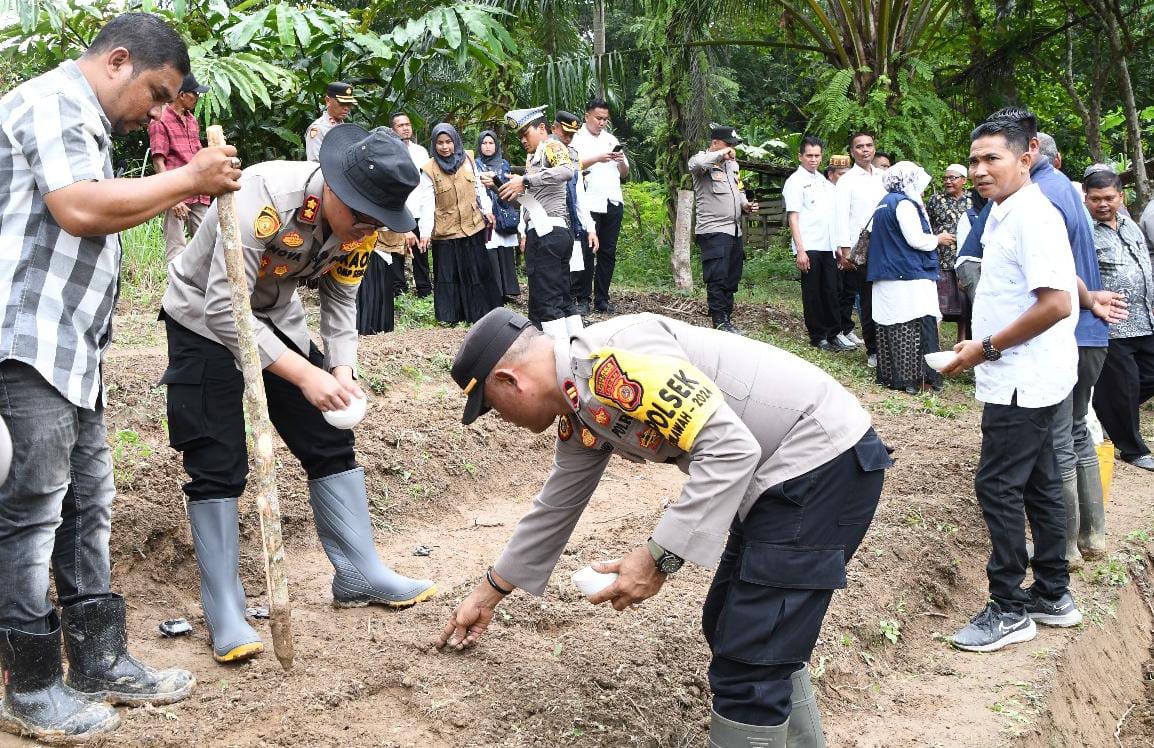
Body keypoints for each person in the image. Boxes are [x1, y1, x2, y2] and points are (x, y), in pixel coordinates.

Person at [438, 307, 892, 748]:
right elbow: (556, 505)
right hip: (784, 477)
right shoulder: (579, 400)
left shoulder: (616, 363)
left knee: (751, 654)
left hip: (822, 461)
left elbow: (731, 450)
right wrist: (488, 593)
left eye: (493, 409)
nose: (502, 420)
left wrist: (658, 558)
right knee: (733, 628)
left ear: (508, 381)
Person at [0, 13, 242, 742]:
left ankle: (97, 658)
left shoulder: (90, 121)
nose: (161, 112)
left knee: (87, 502)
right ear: (117, 61)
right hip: (26, 339)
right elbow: (77, 208)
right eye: (159, 93)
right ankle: (32, 683)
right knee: (34, 507)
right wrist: (188, 179)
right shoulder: (52, 102)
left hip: (71, 346)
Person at [161, 124, 437, 664]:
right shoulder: (258, 198)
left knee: (325, 435)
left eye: (378, 225)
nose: (367, 233)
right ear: (334, 190)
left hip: (275, 317)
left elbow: (340, 300)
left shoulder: (358, 228)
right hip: (204, 319)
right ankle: (225, 606)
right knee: (218, 457)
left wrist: (340, 368)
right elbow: (225, 308)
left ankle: (359, 571)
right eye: (362, 219)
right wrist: (307, 376)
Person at [941, 114, 1085, 653]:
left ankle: (1008, 605)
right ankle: (1052, 593)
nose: (979, 170)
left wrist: (987, 348)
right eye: (974, 160)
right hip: (1032, 375)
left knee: (997, 485)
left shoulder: (1032, 216)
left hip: (1021, 379)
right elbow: (1044, 286)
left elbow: (1054, 304)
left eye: (991, 159)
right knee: (1042, 481)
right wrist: (980, 345)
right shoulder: (1004, 211)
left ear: (1027, 157)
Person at [488, 105, 581, 339]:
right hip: (545, 231)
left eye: (524, 134)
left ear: (541, 128)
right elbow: (529, 203)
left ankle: (556, 359)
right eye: (518, 136)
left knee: (546, 301)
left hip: (550, 233)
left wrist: (526, 181)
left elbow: (567, 171)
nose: (522, 140)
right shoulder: (534, 158)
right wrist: (502, 187)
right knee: (561, 298)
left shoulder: (551, 145)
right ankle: (576, 351)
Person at [1086, 170, 1154, 472]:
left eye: (1109, 198)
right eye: (1096, 199)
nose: (1103, 204)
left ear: (1120, 197)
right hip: (1113, 323)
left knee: (1138, 381)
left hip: (1145, 317)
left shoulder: (1130, 225)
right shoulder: (1084, 232)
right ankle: (1132, 448)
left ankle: (1107, 409)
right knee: (1123, 385)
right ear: (1086, 199)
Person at [868, 162, 952, 394]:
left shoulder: (883, 203)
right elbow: (915, 239)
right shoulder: (904, 204)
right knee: (916, 324)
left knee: (891, 326)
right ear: (909, 182)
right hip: (908, 275)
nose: (922, 191)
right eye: (920, 185)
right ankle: (919, 379)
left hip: (887, 274)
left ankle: (894, 377)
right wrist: (938, 239)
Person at [412, 123, 501, 324]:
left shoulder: (468, 159)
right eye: (440, 143)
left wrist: (487, 211)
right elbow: (427, 203)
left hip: (473, 225)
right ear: (434, 145)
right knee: (448, 275)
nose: (445, 147)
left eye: (448, 142)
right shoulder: (428, 169)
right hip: (446, 230)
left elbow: (479, 188)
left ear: (455, 141)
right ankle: (450, 316)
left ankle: (480, 313)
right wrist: (425, 232)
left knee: (477, 271)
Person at [688, 125, 760, 334]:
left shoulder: (733, 166)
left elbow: (738, 190)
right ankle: (718, 319)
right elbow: (697, 164)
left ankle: (726, 318)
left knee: (731, 278)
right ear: (715, 143)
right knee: (717, 276)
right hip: (713, 230)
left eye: (732, 146)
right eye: (728, 145)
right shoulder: (702, 161)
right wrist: (721, 154)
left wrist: (745, 206)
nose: (731, 150)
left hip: (734, 230)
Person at [783, 136, 843, 350]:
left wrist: (838, 246)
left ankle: (833, 332)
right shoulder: (795, 182)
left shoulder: (824, 182)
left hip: (828, 245)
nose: (813, 159)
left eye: (817, 155)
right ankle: (818, 335)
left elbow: (830, 216)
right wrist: (800, 250)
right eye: (809, 155)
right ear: (800, 157)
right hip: (809, 245)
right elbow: (793, 217)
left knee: (831, 290)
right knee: (813, 293)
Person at [571, 97, 629, 314]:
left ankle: (602, 299)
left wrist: (620, 160)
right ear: (587, 116)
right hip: (589, 201)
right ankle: (582, 297)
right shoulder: (576, 139)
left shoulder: (610, 139)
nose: (602, 122)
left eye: (605, 119)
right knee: (587, 251)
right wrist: (597, 158)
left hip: (613, 200)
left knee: (608, 252)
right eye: (598, 118)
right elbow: (571, 165)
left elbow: (625, 173)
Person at [834, 130, 886, 363]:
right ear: (852, 151)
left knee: (886, 295)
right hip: (861, 248)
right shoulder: (847, 181)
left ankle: (888, 345)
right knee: (867, 298)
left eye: (869, 145)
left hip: (886, 245)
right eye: (859, 146)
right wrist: (845, 249)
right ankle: (873, 349)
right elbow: (840, 216)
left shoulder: (884, 176)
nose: (865, 149)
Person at [148, 72, 210, 262]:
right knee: (176, 248)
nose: (198, 97)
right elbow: (158, 161)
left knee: (207, 245)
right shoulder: (160, 120)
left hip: (198, 190)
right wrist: (171, 197)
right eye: (195, 94)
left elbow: (197, 155)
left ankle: (200, 288)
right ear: (182, 95)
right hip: (176, 191)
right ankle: (177, 289)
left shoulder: (191, 120)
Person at [552, 110, 599, 311]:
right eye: (565, 134)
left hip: (572, 221)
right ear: (554, 129)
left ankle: (572, 307)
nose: (568, 139)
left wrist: (590, 227)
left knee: (575, 267)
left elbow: (579, 195)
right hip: (551, 221)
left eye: (572, 135)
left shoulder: (573, 156)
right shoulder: (541, 152)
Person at [925, 164, 973, 341]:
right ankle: (934, 344)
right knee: (939, 305)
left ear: (964, 180)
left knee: (964, 306)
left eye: (952, 178)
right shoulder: (935, 200)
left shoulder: (973, 199)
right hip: (941, 260)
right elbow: (927, 226)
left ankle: (961, 343)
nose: (948, 181)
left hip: (965, 259)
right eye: (945, 178)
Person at [389, 111, 433, 297]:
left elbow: (427, 184)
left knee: (420, 251)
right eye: (400, 125)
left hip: (418, 208)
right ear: (393, 129)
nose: (406, 128)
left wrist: (426, 222)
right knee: (396, 252)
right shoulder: (388, 151)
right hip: (396, 210)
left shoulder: (420, 152)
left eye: (407, 124)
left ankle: (424, 289)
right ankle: (398, 290)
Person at [477, 130, 521, 301]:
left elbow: (509, 186)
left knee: (505, 251)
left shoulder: (503, 164)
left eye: (491, 143)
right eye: (484, 143)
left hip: (504, 210)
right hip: (487, 214)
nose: (488, 147)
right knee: (491, 251)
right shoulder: (476, 164)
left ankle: (508, 289)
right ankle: (496, 291)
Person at [304, 81, 356, 162]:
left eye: (349, 103)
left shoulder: (345, 128)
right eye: (342, 103)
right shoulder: (318, 128)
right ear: (328, 101)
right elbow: (314, 163)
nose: (346, 108)